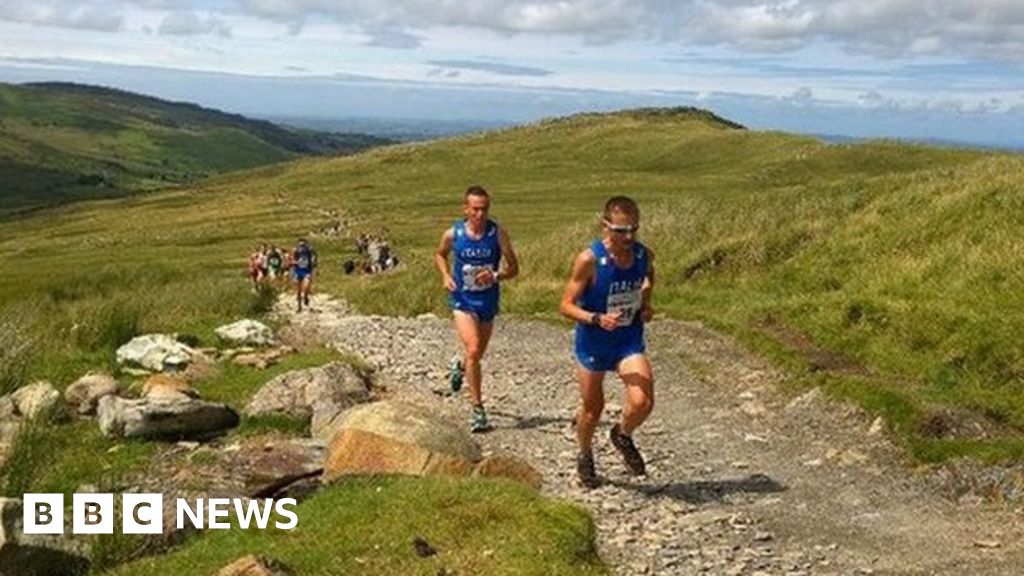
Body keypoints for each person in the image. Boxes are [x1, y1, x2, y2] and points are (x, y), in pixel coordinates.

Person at [558, 196, 655, 489]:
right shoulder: (589, 259)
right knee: (592, 409)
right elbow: (565, 305)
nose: (628, 237)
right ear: (606, 226)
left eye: (633, 230)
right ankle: (585, 454)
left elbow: (648, 275)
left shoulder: (642, 255)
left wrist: (646, 303)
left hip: (627, 340)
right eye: (621, 230)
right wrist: (596, 318)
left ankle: (622, 434)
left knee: (643, 401)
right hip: (593, 342)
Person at [434, 185, 519, 432]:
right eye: (475, 209)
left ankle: (459, 367)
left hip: (487, 300)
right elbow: (440, 255)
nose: (480, 214)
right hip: (462, 299)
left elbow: (514, 268)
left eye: (484, 209)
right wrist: (445, 276)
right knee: (473, 349)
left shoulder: (498, 234)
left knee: (476, 354)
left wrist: (495, 275)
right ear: (466, 209)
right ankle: (478, 409)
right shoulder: (454, 234)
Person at [291, 238, 317, 312]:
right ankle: (299, 307)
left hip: (306, 271)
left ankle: (305, 296)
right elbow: (291, 261)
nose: (302, 247)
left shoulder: (309, 251)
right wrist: (296, 262)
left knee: (306, 286)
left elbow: (313, 262)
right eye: (300, 245)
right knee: (298, 290)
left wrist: (314, 269)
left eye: (303, 245)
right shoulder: (296, 251)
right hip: (298, 271)